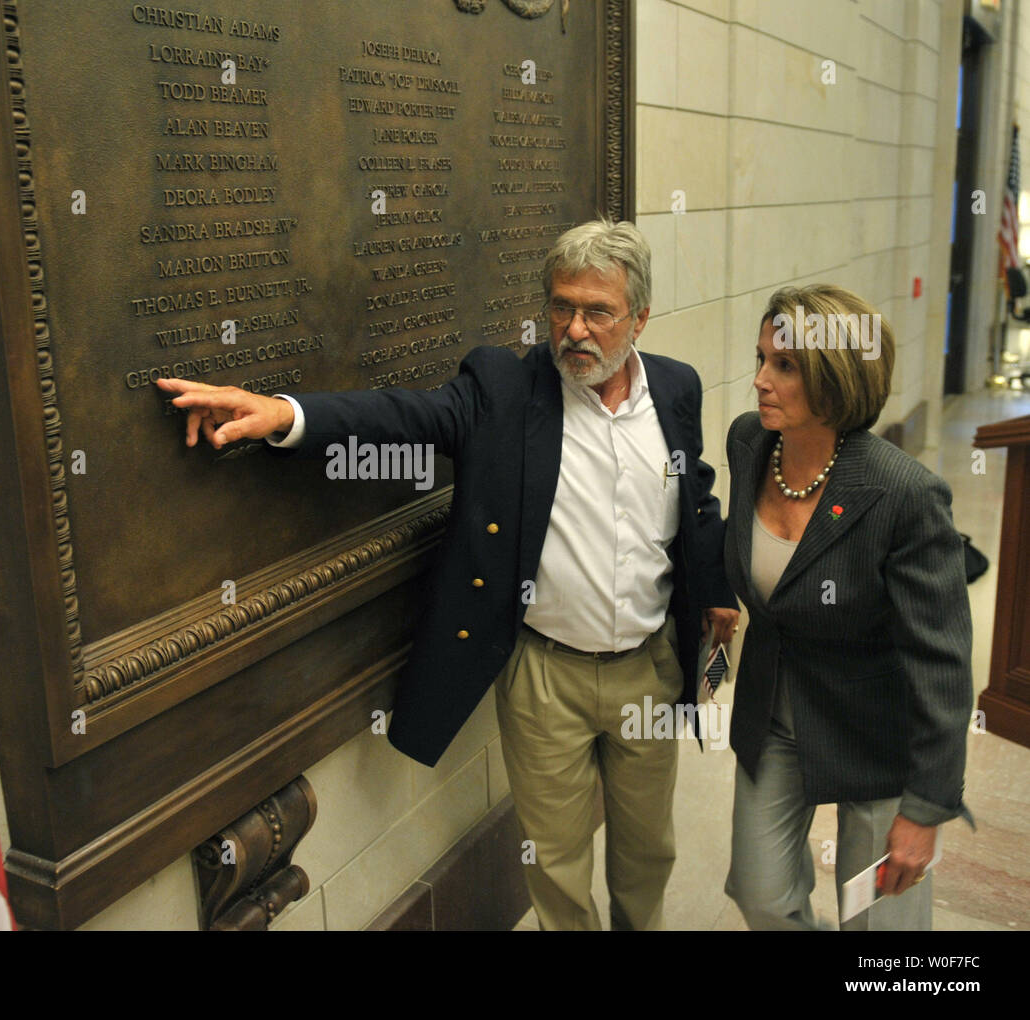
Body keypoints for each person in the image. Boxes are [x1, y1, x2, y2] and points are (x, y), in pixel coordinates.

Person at [157, 219, 738, 930]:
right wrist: (283, 414)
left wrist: (717, 593)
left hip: (648, 668)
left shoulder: (676, 389)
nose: (574, 329)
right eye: (560, 306)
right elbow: (402, 416)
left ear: (639, 318)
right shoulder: (502, 389)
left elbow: (696, 496)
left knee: (647, 852)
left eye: (597, 311)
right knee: (555, 865)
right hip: (545, 677)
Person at [723, 284, 973, 931]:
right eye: (760, 359)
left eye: (784, 366)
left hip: (878, 733)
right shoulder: (749, 444)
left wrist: (924, 809)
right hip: (775, 714)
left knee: (879, 928)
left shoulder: (903, 493)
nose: (759, 381)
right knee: (760, 895)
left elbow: (942, 665)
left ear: (835, 382)